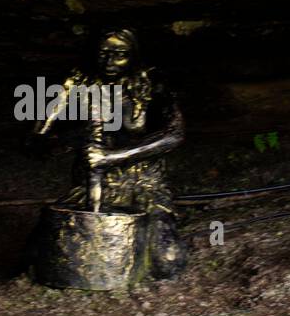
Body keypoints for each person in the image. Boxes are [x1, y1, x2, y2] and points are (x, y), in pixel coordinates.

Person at [31, 28, 187, 279]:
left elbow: (173, 134)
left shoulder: (152, 86)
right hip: (93, 185)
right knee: (42, 254)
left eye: (120, 54)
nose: (109, 61)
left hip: (144, 185)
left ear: (134, 56)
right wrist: (70, 128)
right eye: (103, 53)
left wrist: (112, 157)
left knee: (166, 260)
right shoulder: (80, 83)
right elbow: (37, 142)